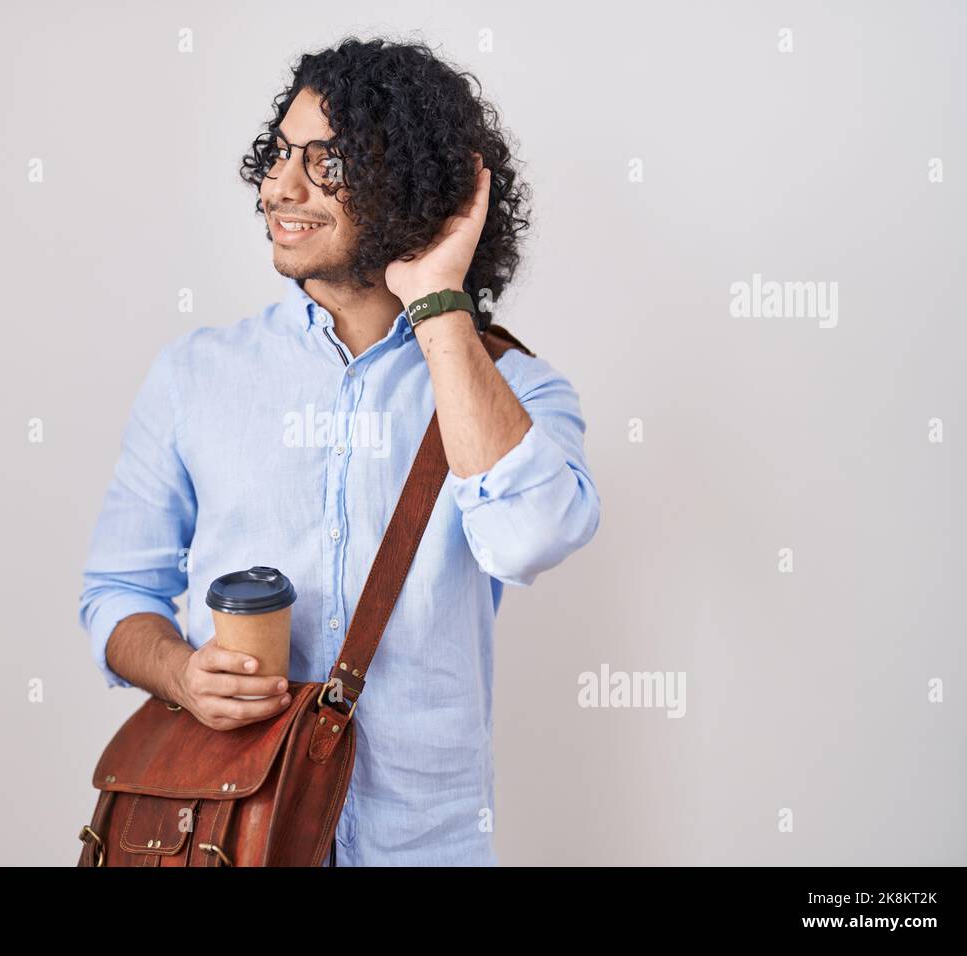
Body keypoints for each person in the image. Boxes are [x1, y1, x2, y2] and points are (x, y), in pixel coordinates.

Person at [78, 36, 601, 866]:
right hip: (226, 837)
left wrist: (438, 301)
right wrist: (181, 674)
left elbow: (532, 537)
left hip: (425, 846)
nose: (280, 187)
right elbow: (116, 591)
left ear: (413, 188)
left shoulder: (514, 391)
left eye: (328, 163)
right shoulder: (193, 376)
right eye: (282, 154)